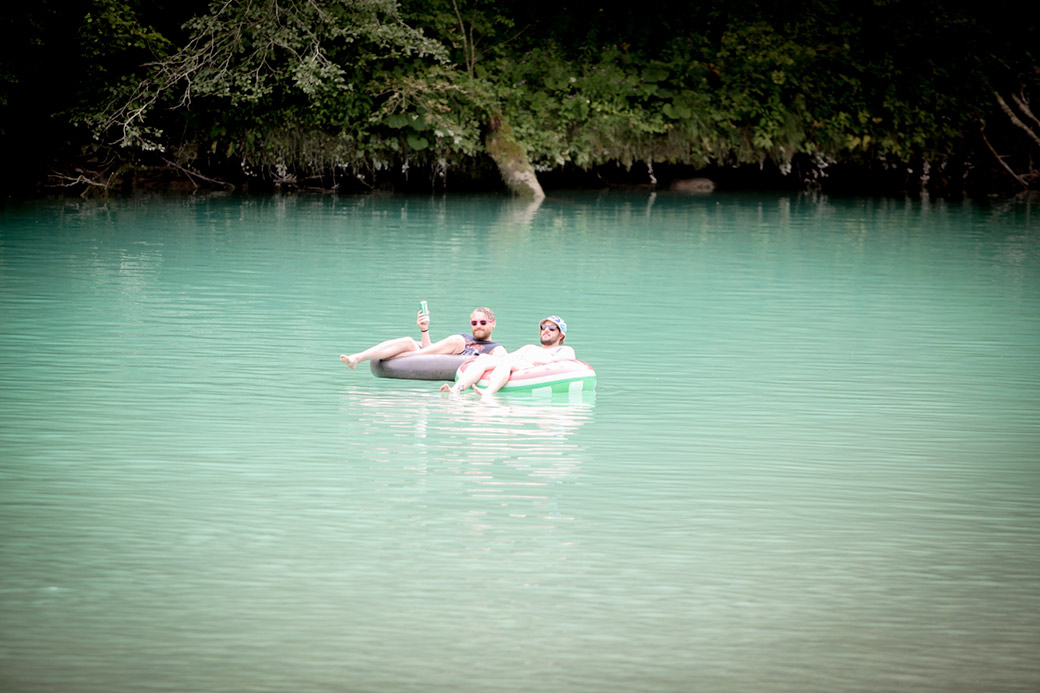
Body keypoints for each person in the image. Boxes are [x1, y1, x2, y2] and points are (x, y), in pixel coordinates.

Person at [441, 315, 574, 399]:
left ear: (561, 335)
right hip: (520, 364)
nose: (546, 330)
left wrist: (539, 361)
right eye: (543, 327)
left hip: (534, 368)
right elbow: (508, 357)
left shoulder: (564, 349)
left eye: (552, 328)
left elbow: (564, 365)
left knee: (506, 364)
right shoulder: (530, 348)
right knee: (483, 359)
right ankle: (456, 389)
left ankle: (488, 392)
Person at [340, 306, 505, 369]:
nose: (478, 325)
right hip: (429, 356)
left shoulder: (494, 348)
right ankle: (357, 358)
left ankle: (388, 357)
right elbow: (430, 351)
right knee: (407, 341)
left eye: (483, 322)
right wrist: (425, 329)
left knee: (456, 340)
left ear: (493, 324)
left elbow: (503, 362)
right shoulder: (464, 336)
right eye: (474, 322)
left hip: (455, 363)